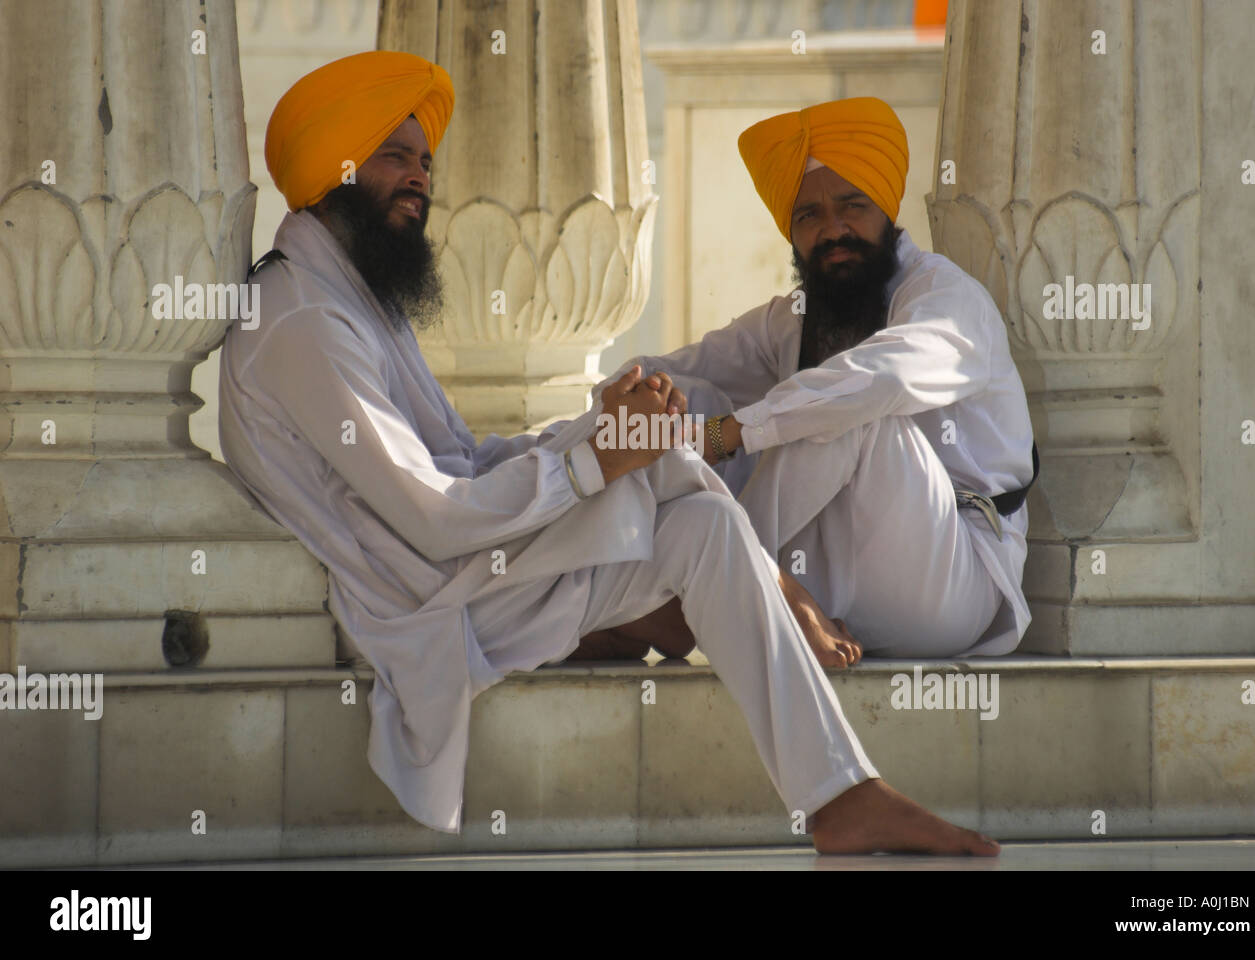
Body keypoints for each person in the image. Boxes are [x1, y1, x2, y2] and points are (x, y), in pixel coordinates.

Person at [218, 52, 999, 855]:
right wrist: (597, 454)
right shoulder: (303, 320)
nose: (420, 176)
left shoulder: (349, 297)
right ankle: (756, 602)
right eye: (396, 155)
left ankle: (839, 792)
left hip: (457, 571)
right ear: (333, 164)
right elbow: (437, 518)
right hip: (418, 595)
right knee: (673, 471)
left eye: (424, 160)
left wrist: (612, 433)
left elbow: (462, 456)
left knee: (695, 517)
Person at [597, 96, 1037, 663]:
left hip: (951, 584)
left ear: (885, 207)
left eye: (852, 205)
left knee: (847, 409)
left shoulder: (947, 298)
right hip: (832, 583)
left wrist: (722, 435)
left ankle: (705, 589)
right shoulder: (791, 320)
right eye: (808, 215)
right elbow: (666, 372)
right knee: (675, 404)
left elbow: (878, 380)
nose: (833, 229)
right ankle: (708, 585)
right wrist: (626, 401)